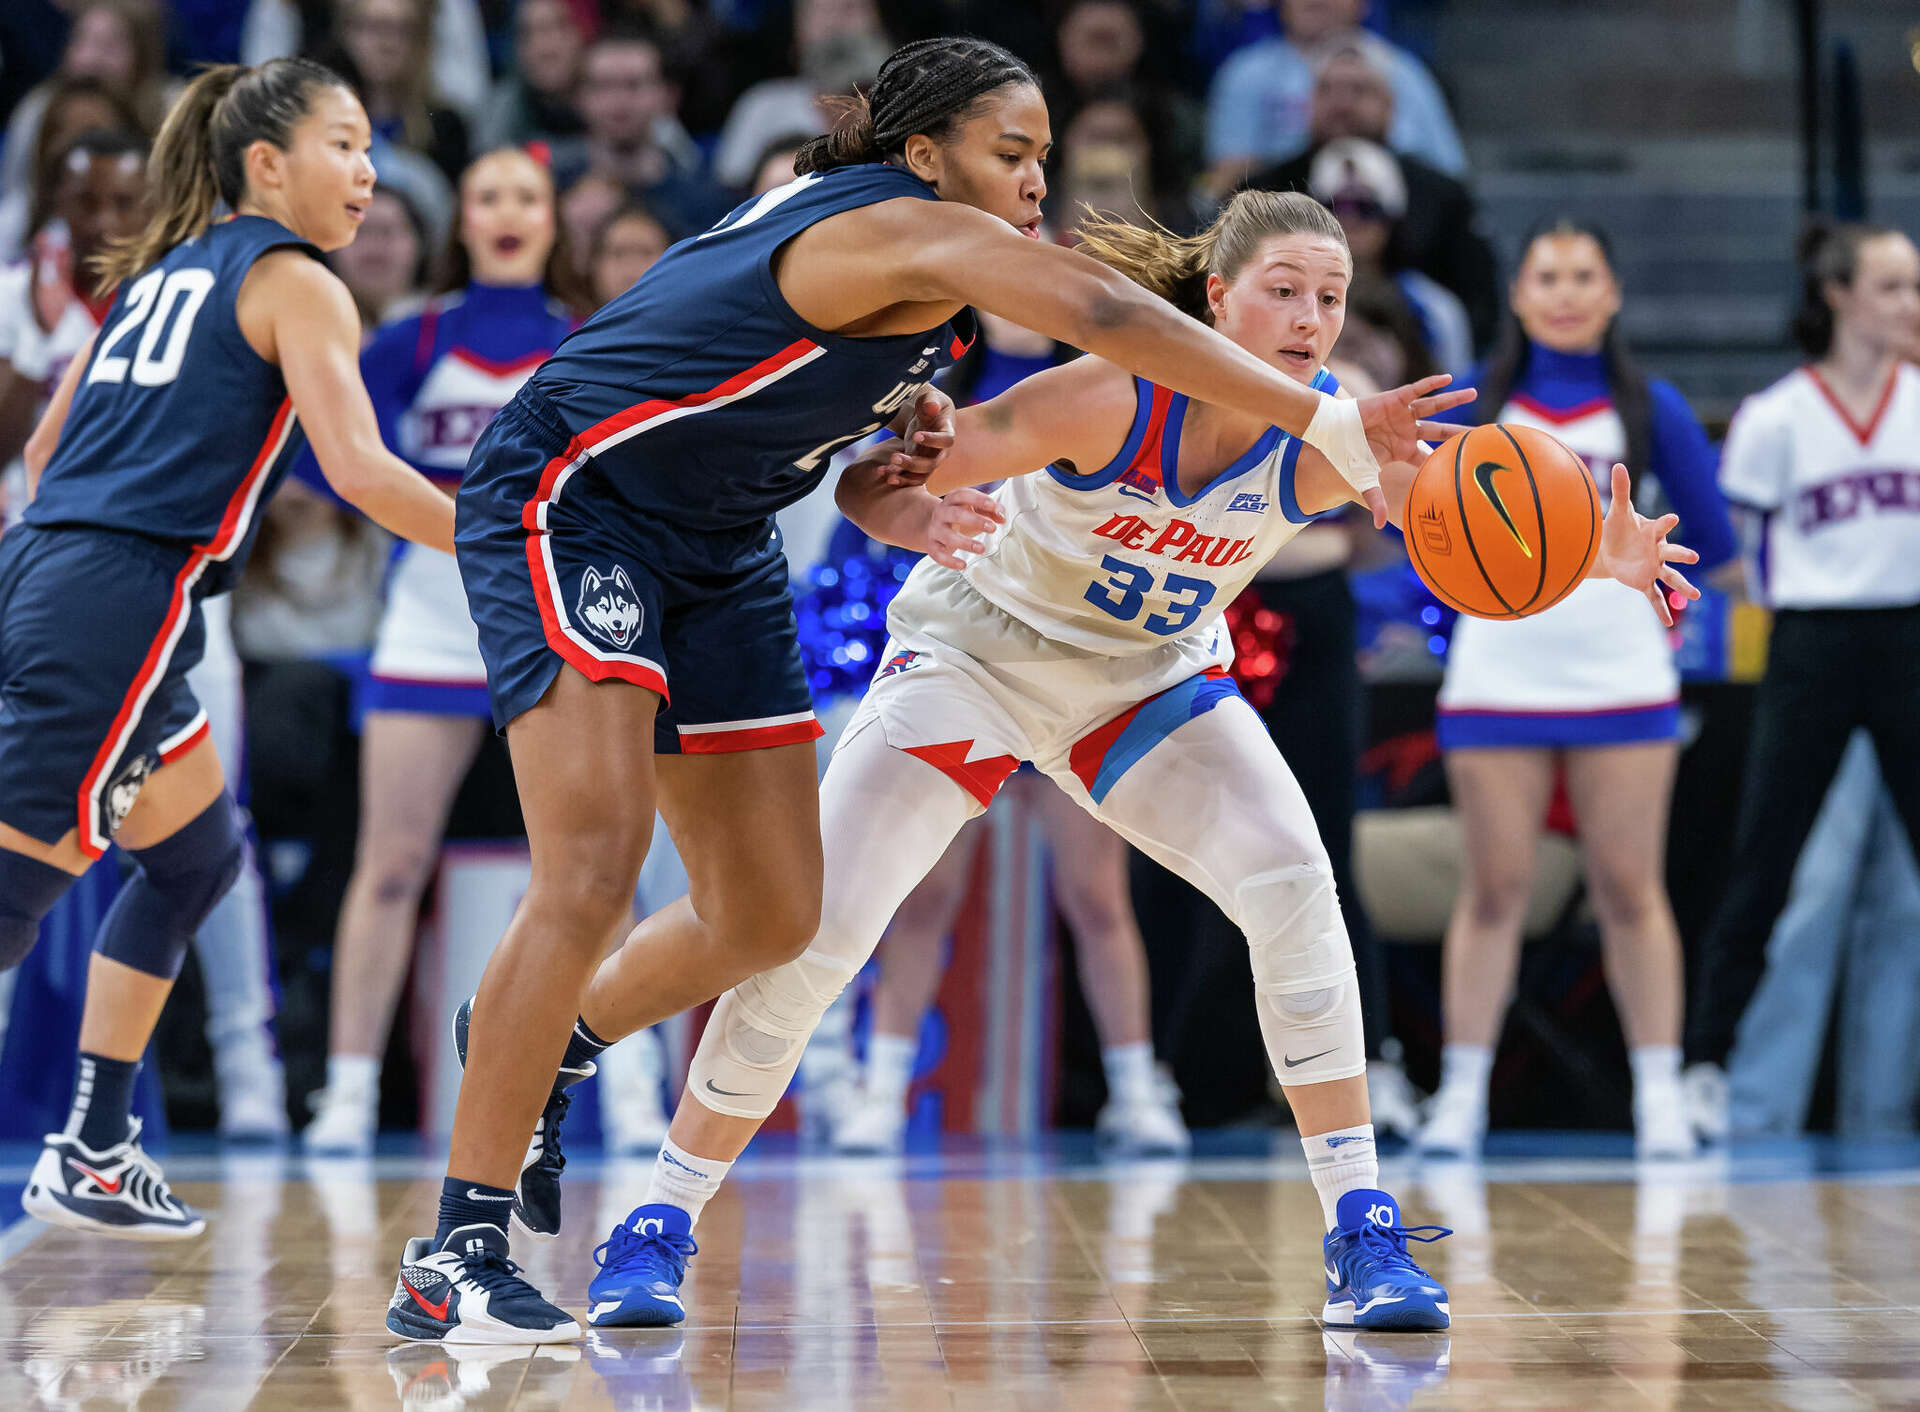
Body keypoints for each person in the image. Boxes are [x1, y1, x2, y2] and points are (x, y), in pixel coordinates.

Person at [389, 34, 1473, 1346]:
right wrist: (1325, 419)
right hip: (587, 498)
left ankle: (555, 1036)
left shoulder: (942, 311)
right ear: (921, 154)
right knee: (601, 861)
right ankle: (465, 1247)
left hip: (739, 546)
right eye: (1009, 153)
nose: (1031, 182)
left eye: (1044, 160)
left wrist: (895, 486)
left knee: (770, 913)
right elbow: (1118, 316)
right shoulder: (903, 232)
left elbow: (866, 472)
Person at [567, 189, 1697, 1334]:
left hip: (1143, 683)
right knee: (820, 934)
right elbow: (877, 478)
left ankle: (1363, 1226)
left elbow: (1461, 516)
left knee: (1296, 886)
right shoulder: (1106, 389)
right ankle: (657, 1219)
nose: (1313, 317)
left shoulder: (1324, 428)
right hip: (977, 661)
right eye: (1286, 290)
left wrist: (1593, 556)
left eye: (1333, 297)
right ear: (1216, 297)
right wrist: (905, 514)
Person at [4, 58, 456, 1237]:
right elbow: (356, 468)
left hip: (64, 576)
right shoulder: (295, 279)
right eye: (344, 144)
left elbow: (45, 456)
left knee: (197, 857)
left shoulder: (160, 272)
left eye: (372, 148)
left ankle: (97, 1143)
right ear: (267, 162)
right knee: (14, 889)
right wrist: (512, 538)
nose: (367, 171)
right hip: (120, 597)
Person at [1416, 218, 1736, 1161]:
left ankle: (1659, 1098)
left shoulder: (1651, 407)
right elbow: (1418, 534)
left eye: (1582, 275)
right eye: (1545, 275)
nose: (1563, 291)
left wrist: (1642, 564)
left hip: (1622, 668)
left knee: (1631, 889)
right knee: (1494, 889)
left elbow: (1711, 543)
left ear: (1612, 294)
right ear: (1517, 294)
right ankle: (1460, 1098)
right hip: (1498, 667)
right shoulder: (1478, 404)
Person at [301, 147, 585, 1155]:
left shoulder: (585, 342)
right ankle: (343, 1091)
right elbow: (336, 460)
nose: (507, 214)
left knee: (587, 872)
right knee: (387, 864)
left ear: (553, 220)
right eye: (488, 196)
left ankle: (623, 1095)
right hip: (425, 619)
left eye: (526, 197)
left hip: (550, 626)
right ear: (460, 218)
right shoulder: (410, 338)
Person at [1684, 221, 1920, 1125]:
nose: (1908, 304)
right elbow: (1734, 553)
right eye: (1893, 286)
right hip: (1813, 644)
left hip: (1907, 641)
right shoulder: (1777, 416)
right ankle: (1707, 1065)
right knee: (1769, 859)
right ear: (1839, 295)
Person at [1247, 43, 1498, 347]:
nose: (1341, 103)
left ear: (1390, 105)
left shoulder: (1442, 195)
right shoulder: (1264, 194)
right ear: (1308, 103)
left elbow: (1476, 303)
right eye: (1327, 90)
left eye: (1359, 90)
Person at [1206, 0, 1465, 191]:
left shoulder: (1403, 74)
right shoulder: (1245, 74)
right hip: (1287, 216)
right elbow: (1228, 180)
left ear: (1363, 4)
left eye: (1359, 89)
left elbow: (1450, 175)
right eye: (1327, 89)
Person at [547, 27, 733, 240]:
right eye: (604, 86)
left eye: (634, 85)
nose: (619, 101)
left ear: (668, 97)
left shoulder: (704, 199)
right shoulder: (551, 190)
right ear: (579, 98)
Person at [1306, 138, 1472, 376]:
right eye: (1334, 207)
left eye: (1364, 208)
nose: (1348, 221)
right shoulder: (1290, 299)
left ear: (1391, 216)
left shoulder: (1435, 309)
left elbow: (1453, 394)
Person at [473, 0, 589, 153]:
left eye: (556, 28)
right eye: (527, 35)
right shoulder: (502, 113)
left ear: (581, 34)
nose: (543, 48)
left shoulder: (612, 92)